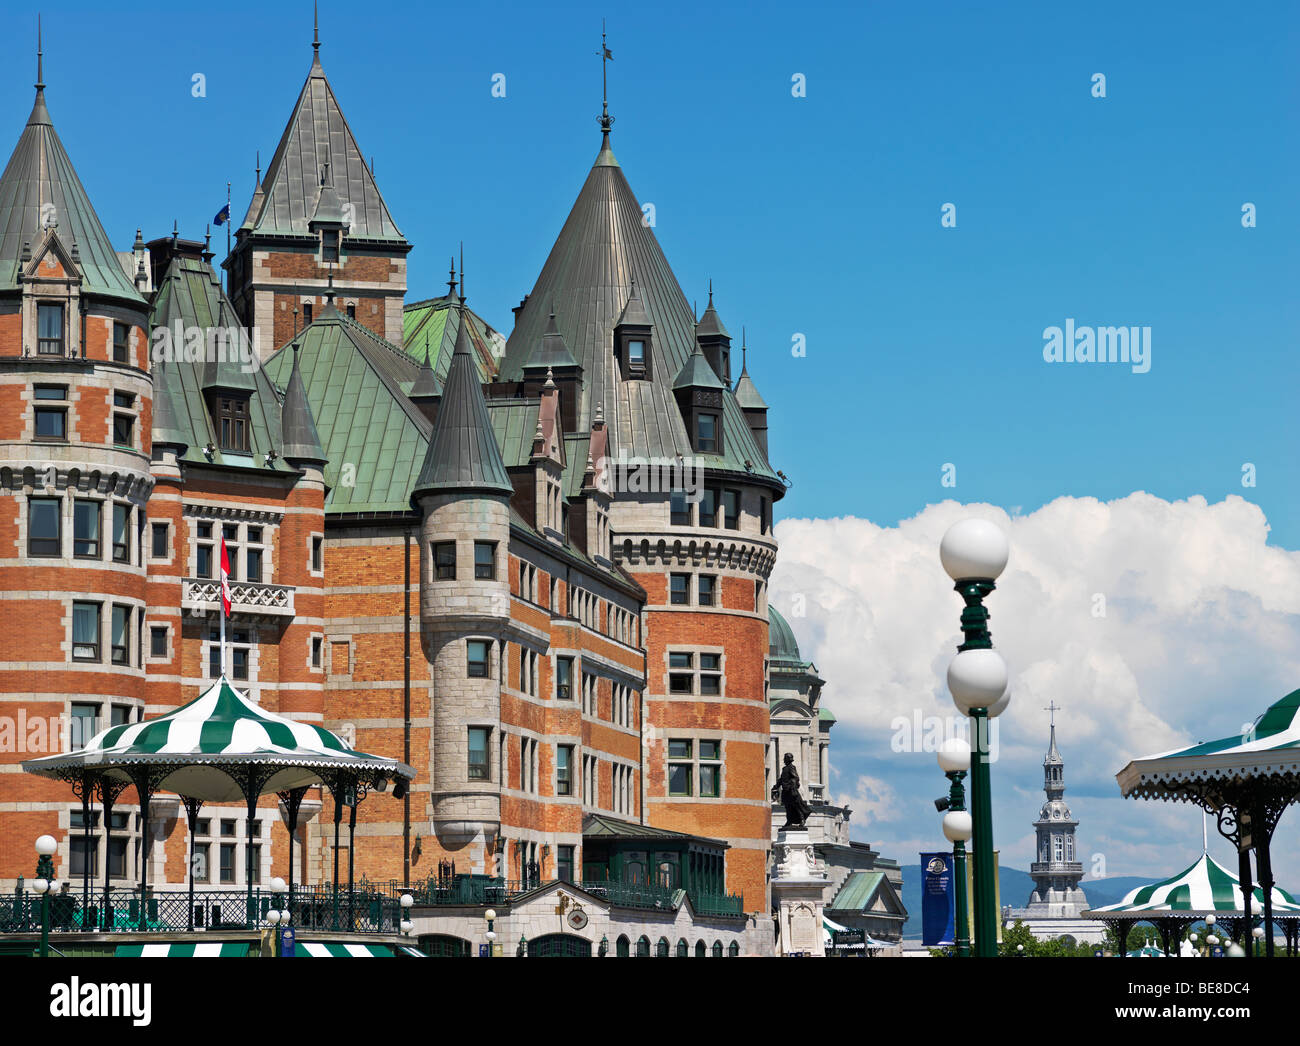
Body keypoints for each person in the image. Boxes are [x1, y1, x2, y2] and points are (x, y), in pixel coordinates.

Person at [773, 753, 812, 830]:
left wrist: (793, 786)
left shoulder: (792, 767)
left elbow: (796, 777)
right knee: (788, 807)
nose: (784, 759)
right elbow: (781, 779)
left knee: (796, 806)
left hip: (791, 791)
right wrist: (776, 786)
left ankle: (802, 819)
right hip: (785, 791)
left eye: (785, 758)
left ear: (788, 759)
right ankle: (789, 821)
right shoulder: (784, 769)